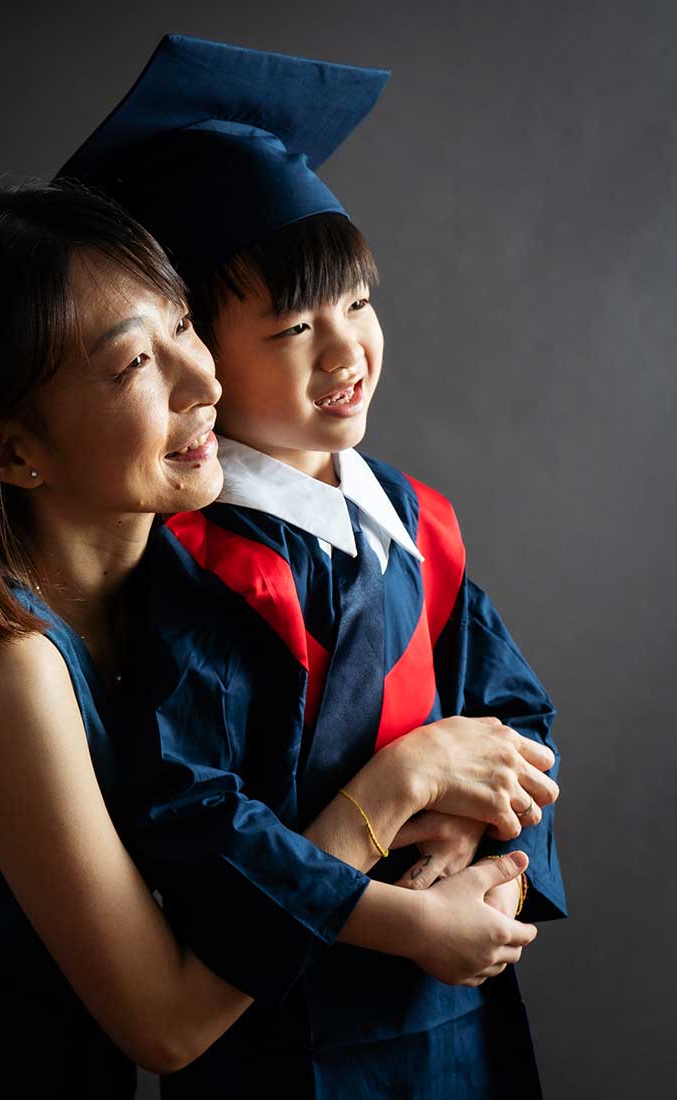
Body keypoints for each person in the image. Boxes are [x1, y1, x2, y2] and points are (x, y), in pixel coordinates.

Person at [0, 183, 556, 1100]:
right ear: (12, 454)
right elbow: (167, 1022)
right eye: (132, 367)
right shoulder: (3, 673)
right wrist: (398, 788)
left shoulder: (197, 593)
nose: (204, 382)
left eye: (186, 327)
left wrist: (488, 865)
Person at [60, 34, 567, 1098]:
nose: (344, 354)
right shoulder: (199, 562)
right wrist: (405, 918)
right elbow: (196, 816)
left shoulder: (414, 520)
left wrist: (495, 863)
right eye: (293, 326)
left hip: (458, 1009)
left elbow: (515, 713)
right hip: (293, 1033)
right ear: (195, 347)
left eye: (358, 306)